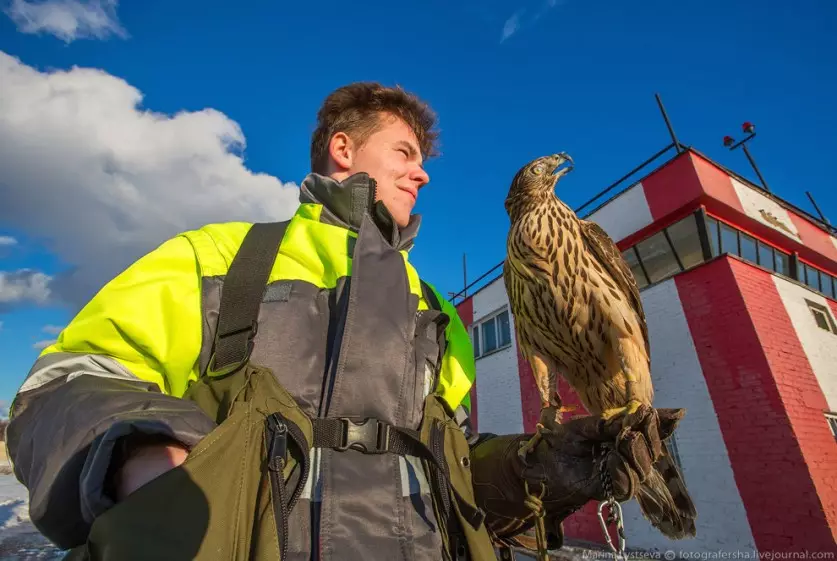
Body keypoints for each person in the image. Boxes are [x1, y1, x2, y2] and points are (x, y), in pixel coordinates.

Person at [6, 82, 679, 561]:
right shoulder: (222, 257)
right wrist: (143, 458)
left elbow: (451, 478)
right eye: (405, 153)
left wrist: (539, 471)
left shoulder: (439, 316)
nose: (422, 175)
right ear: (341, 149)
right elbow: (63, 386)